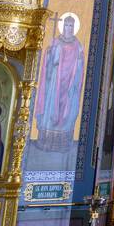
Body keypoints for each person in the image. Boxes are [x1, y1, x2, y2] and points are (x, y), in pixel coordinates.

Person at [36, 15, 85, 150]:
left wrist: (80, 60)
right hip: (55, 81)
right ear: (63, 26)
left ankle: (62, 142)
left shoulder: (77, 44)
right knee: (52, 105)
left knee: (68, 107)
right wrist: (50, 51)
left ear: (74, 27)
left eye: (71, 25)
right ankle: (47, 141)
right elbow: (49, 61)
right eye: (66, 25)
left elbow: (80, 64)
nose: (68, 28)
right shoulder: (56, 41)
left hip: (69, 82)